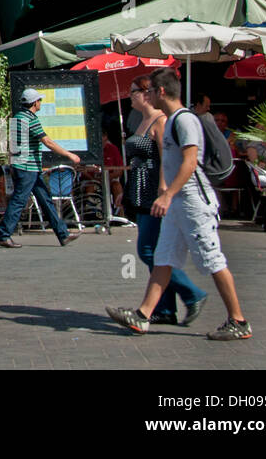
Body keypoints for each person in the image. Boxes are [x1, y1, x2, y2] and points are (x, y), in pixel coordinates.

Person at [106, 68, 252, 340]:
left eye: (149, 91)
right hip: (178, 204)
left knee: (212, 260)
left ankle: (239, 320)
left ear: (161, 91)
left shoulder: (184, 120)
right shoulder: (174, 120)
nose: (146, 97)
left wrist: (167, 193)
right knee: (163, 257)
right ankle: (142, 316)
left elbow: (190, 162)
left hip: (194, 202)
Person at [120, 85, 207, 326]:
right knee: (156, 250)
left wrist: (164, 189)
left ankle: (192, 293)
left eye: (133, 91)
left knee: (148, 249)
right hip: (140, 190)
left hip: (154, 193)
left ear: (147, 92)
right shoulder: (141, 120)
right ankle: (166, 308)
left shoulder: (161, 120)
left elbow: (165, 156)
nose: (130, 96)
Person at [0, 88, 83, 248]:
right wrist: (69, 155)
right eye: (40, 100)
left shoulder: (17, 118)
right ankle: (4, 234)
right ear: (35, 103)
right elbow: (47, 142)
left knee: (45, 200)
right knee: (19, 201)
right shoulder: (30, 119)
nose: (41, 102)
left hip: (25, 166)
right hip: (27, 167)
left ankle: (62, 234)